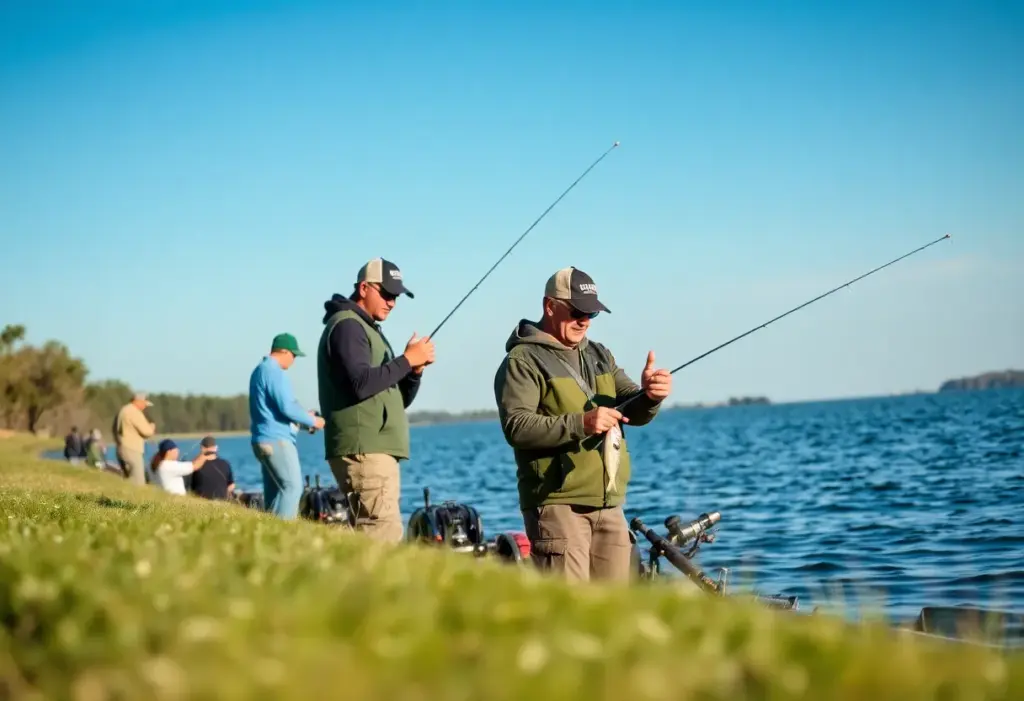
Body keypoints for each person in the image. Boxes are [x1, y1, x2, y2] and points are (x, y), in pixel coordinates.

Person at [493, 266, 673, 583]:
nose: (584, 321)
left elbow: (633, 408)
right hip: (557, 506)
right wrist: (583, 423)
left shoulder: (600, 355)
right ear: (549, 306)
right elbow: (517, 427)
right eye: (577, 312)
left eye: (591, 314)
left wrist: (651, 395)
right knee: (568, 611)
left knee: (613, 611)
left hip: (609, 502)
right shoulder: (522, 361)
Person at [317, 257, 434, 543]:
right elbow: (360, 385)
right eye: (386, 293)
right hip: (365, 449)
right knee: (382, 536)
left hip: (372, 448)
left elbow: (395, 399)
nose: (392, 302)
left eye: (396, 296)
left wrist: (413, 371)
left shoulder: (365, 329)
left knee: (372, 534)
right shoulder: (348, 327)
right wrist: (406, 360)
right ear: (364, 287)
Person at [249, 332, 325, 519]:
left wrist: (304, 420)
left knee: (274, 494)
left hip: (261, 439)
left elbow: (277, 409)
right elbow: (287, 407)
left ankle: (268, 534)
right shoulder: (275, 371)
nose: (294, 360)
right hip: (277, 440)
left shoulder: (260, 370)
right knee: (292, 487)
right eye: (294, 355)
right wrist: (313, 421)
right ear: (283, 351)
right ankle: (282, 534)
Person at [112, 393, 157, 485]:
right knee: (138, 482)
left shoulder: (123, 410)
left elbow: (114, 429)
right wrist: (152, 426)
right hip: (132, 450)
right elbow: (147, 431)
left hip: (121, 449)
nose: (145, 407)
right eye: (144, 404)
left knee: (128, 479)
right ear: (138, 401)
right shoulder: (134, 412)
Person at [150, 438, 215, 495]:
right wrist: (206, 454)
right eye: (176, 450)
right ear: (169, 452)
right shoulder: (169, 466)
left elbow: (192, 463)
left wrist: (201, 454)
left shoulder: (163, 465)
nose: (178, 452)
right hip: (175, 501)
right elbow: (195, 466)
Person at [185, 435, 236, 500]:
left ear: (202, 448)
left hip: (202, 502)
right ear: (216, 448)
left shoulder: (196, 465)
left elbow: (188, 486)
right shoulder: (225, 464)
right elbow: (231, 485)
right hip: (222, 501)